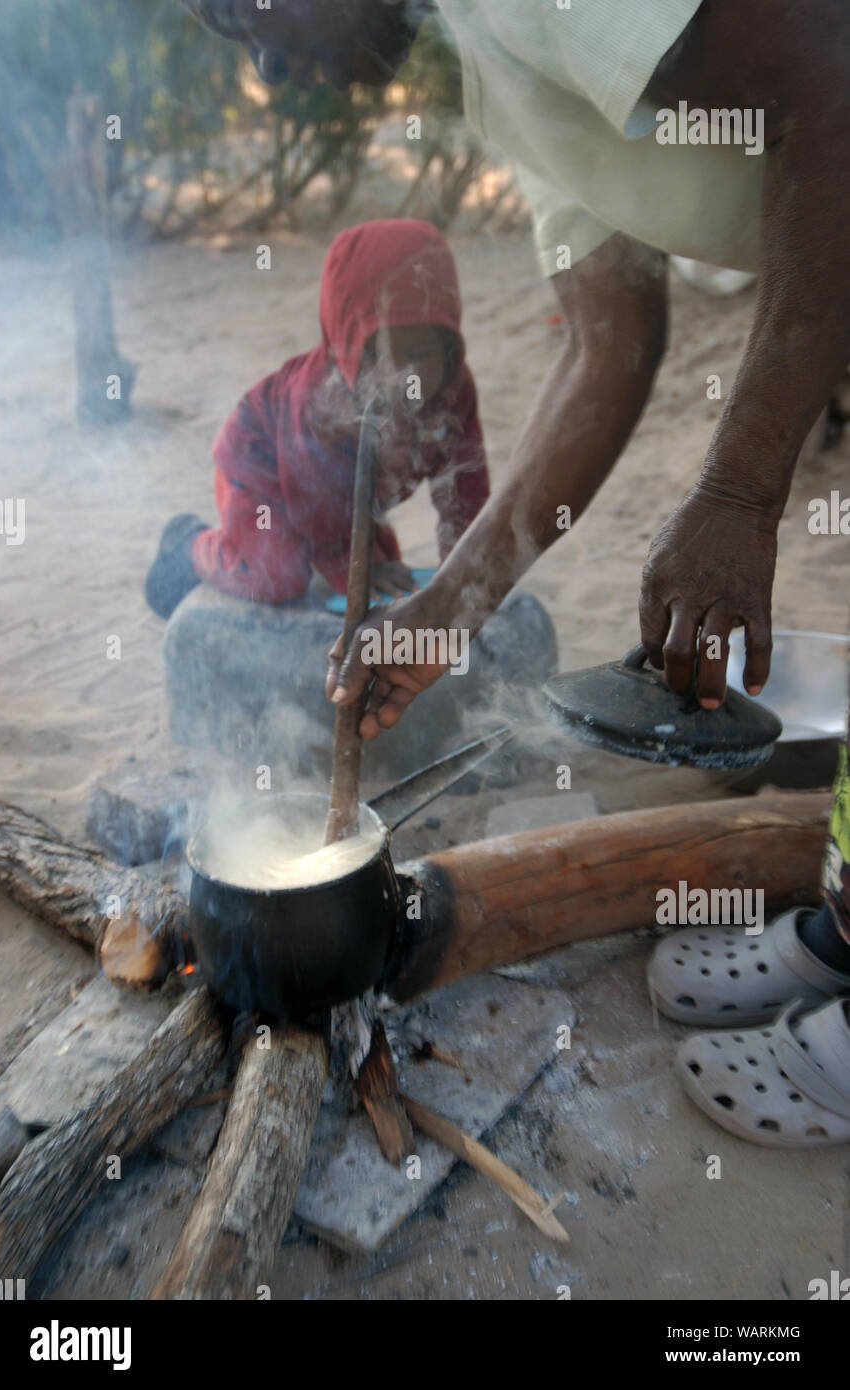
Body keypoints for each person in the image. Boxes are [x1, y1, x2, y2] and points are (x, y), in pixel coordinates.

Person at [178, 0, 850, 1146]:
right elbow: (610, 341)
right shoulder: (479, 57)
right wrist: (447, 608)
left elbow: (835, 89)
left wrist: (739, 490)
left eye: (249, 14)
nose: (271, 59)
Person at [145, 218, 488, 617]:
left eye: (420, 355)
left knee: (384, 567)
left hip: (344, 494)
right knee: (278, 575)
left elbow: (466, 487)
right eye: (376, 355)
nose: (400, 377)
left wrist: (464, 567)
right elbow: (312, 494)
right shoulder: (321, 397)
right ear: (345, 346)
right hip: (261, 468)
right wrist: (348, 567)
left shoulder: (453, 390)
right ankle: (187, 546)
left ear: (448, 348)